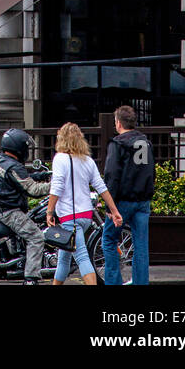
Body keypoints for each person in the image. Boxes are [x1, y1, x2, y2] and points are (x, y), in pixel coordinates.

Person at [46, 122, 122, 286]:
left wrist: (50, 211)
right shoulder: (87, 160)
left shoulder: (60, 158)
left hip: (68, 216)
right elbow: (101, 187)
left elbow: (57, 186)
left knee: (81, 256)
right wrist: (114, 210)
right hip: (86, 216)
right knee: (64, 256)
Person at [0, 127, 52, 285]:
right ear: (19, 147)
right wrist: (55, 185)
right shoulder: (14, 166)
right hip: (7, 211)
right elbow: (33, 189)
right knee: (36, 237)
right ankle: (31, 278)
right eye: (26, 147)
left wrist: (39, 175)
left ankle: (19, 259)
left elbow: (15, 179)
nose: (27, 150)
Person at [102, 104, 155, 285]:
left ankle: (113, 282)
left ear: (118, 123)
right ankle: (141, 282)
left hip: (123, 201)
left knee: (109, 240)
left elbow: (112, 176)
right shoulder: (145, 142)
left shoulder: (118, 144)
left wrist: (110, 205)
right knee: (141, 245)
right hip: (142, 201)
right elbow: (151, 171)